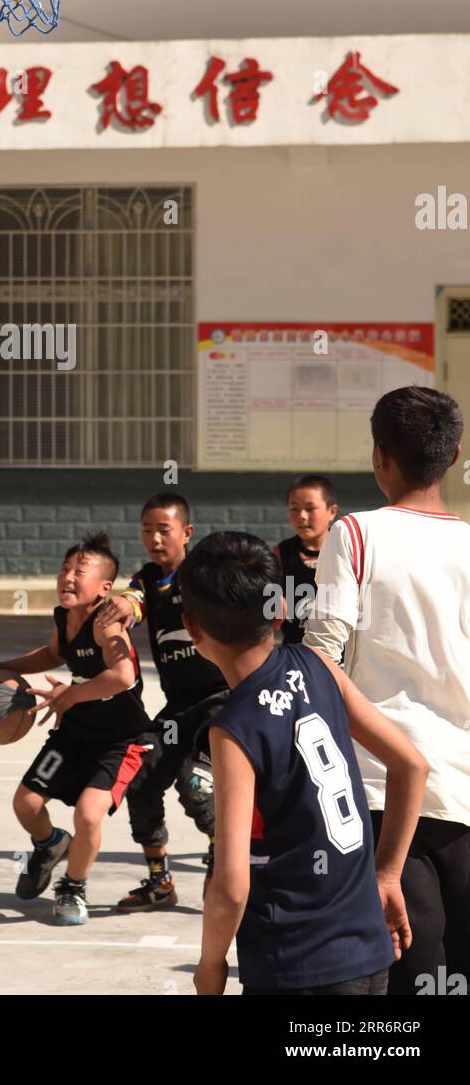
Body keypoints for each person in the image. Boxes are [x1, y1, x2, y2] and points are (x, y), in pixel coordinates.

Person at [178, 531, 428, 996]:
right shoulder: (318, 665)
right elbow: (411, 764)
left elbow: (232, 885)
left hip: (296, 963)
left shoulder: (233, 729)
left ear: (193, 630)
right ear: (280, 610)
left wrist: (210, 966)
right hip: (368, 952)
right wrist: (388, 873)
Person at [304, 385, 470, 995]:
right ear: (453, 457)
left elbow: (321, 655)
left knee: (405, 974)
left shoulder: (356, 533)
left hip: (382, 789)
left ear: (379, 456)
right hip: (462, 792)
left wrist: (393, 750)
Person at [0, 530, 156, 926]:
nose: (68, 577)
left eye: (79, 571)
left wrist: (73, 693)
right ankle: (50, 845)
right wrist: (7, 667)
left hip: (120, 740)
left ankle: (73, 888)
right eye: (64, 569)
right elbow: (54, 653)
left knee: (88, 815)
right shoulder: (65, 617)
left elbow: (122, 676)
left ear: (104, 587)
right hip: (76, 732)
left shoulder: (107, 624)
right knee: (26, 803)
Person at [95, 494, 228, 910]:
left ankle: (223, 863)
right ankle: (160, 882)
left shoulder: (205, 576)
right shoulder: (147, 581)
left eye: (163, 529)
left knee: (196, 786)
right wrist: (119, 608)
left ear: (186, 533)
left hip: (221, 704)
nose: (154, 538)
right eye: (146, 529)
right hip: (177, 710)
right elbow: (132, 604)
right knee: (142, 778)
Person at [271, 474, 338, 644]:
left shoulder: (345, 551)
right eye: (294, 508)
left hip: (340, 653)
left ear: (332, 511)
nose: (302, 516)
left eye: (310, 508)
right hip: (296, 650)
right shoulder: (281, 553)